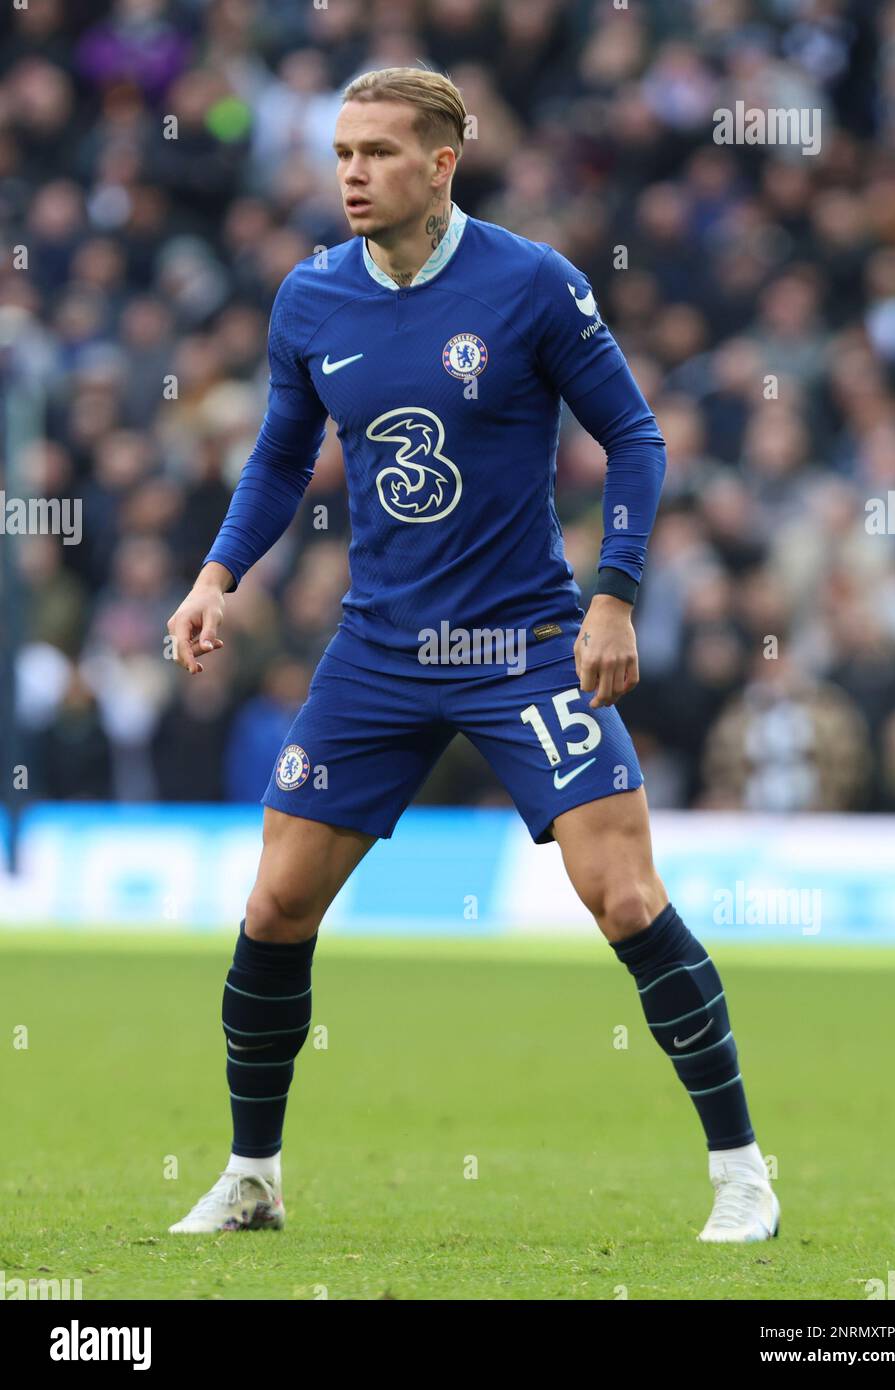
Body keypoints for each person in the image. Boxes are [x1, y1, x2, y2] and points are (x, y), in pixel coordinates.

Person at [165, 67, 778, 1243]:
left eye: (378, 153)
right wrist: (215, 576)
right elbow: (283, 460)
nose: (351, 172)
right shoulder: (311, 299)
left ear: (441, 165)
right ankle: (253, 1176)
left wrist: (616, 595)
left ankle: (743, 1172)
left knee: (627, 895)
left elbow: (636, 439)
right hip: (380, 647)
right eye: (342, 151)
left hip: (527, 643)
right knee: (276, 905)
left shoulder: (531, 284)